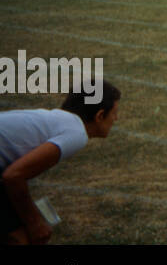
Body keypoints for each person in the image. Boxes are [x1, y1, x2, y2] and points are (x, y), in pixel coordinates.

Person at [1, 83, 122, 245]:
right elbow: (13, 176)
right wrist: (34, 223)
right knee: (23, 237)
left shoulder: (57, 119)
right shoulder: (76, 133)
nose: (116, 119)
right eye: (114, 113)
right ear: (99, 116)